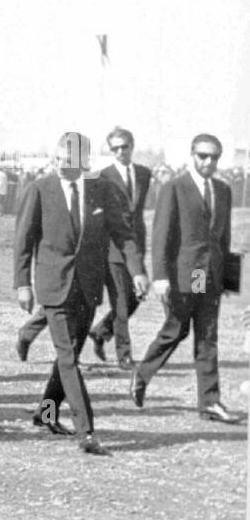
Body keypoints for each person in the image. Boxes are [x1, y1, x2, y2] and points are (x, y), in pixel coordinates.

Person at [14, 131, 147, 454]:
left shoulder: (101, 191)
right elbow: (24, 240)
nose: (61, 166)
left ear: (85, 163)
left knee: (68, 354)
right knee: (69, 357)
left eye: (69, 162)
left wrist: (137, 270)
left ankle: (45, 414)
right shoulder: (40, 189)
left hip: (87, 287)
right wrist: (22, 283)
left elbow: (123, 234)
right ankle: (86, 431)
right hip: (53, 285)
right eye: (57, 159)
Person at [131, 134, 239, 423]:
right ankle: (142, 374)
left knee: (207, 336)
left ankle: (210, 402)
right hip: (188, 274)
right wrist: (161, 277)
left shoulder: (223, 190)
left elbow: (223, 237)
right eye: (203, 155)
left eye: (214, 157)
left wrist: (228, 277)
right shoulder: (175, 188)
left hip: (209, 275)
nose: (208, 162)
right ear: (192, 155)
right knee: (177, 328)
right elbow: (161, 235)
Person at [88, 126, 152, 369]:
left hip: (135, 245)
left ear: (132, 146)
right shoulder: (102, 176)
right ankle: (124, 354)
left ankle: (101, 331)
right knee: (121, 302)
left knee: (137, 297)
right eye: (115, 148)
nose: (120, 152)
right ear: (110, 150)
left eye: (124, 147)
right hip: (113, 247)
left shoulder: (145, 174)